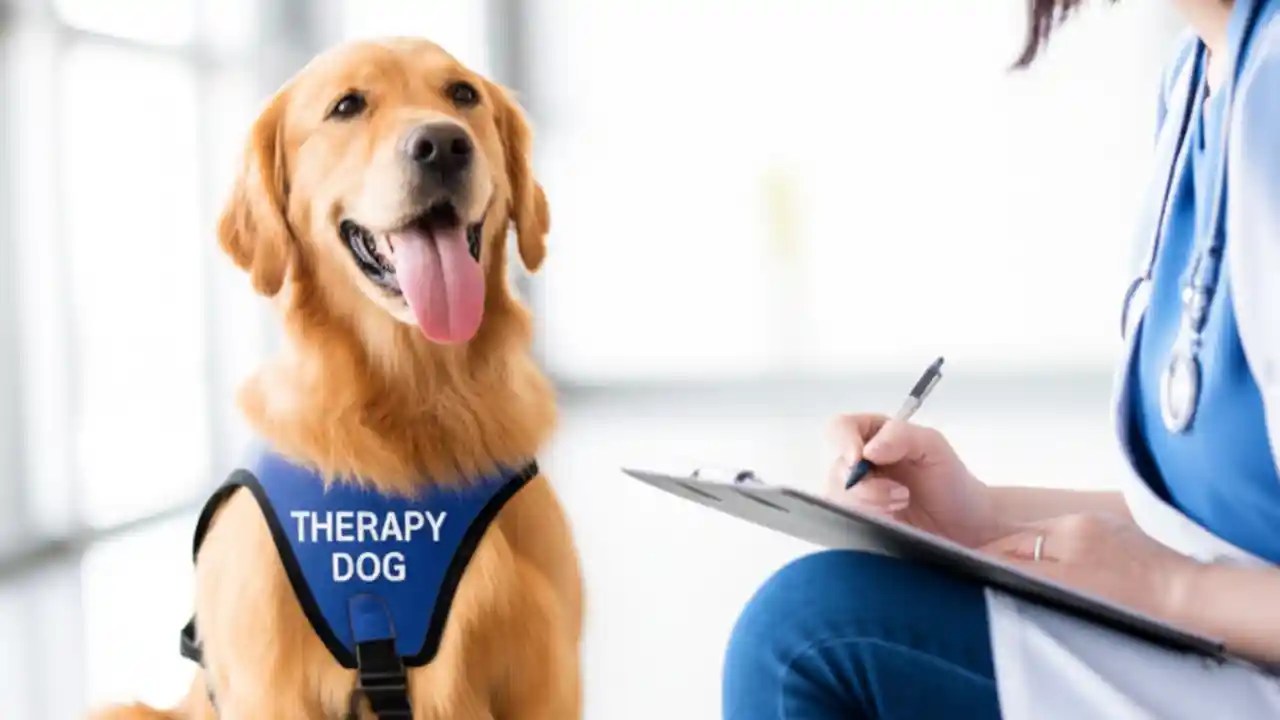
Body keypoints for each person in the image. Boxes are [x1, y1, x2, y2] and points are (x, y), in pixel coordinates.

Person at [721, 1, 1280, 718]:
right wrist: (980, 517)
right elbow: (1229, 530)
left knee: (814, 635)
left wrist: (1171, 591)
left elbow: (1191, 569)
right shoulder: (1202, 76)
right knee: (811, 622)